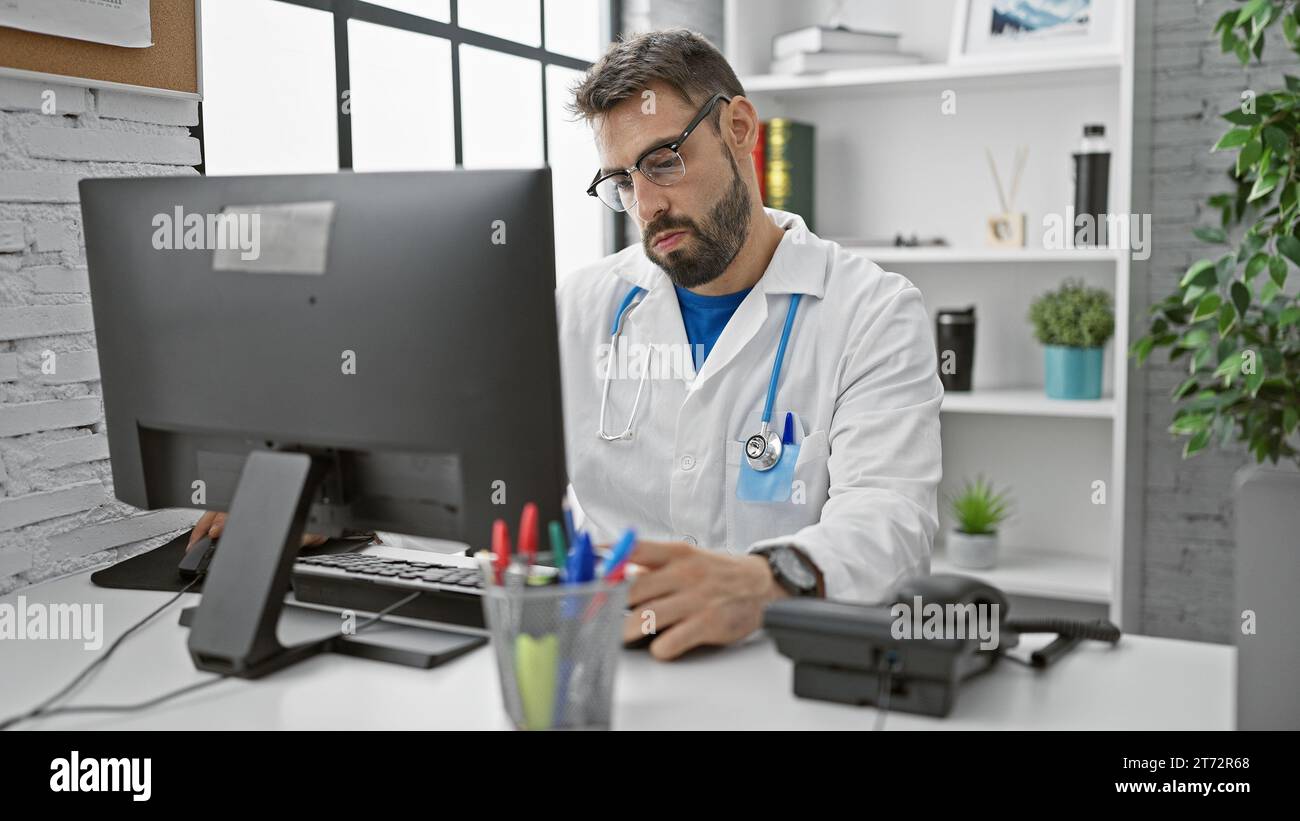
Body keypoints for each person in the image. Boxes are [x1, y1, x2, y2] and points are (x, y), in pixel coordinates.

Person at [190, 28, 943, 663]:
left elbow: (892, 516)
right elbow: (487, 480)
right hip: (603, 662)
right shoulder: (585, 307)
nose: (646, 205)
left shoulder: (871, 312)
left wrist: (768, 577)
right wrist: (339, 508)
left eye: (663, 161)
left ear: (740, 129)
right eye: (621, 180)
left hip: (772, 662)